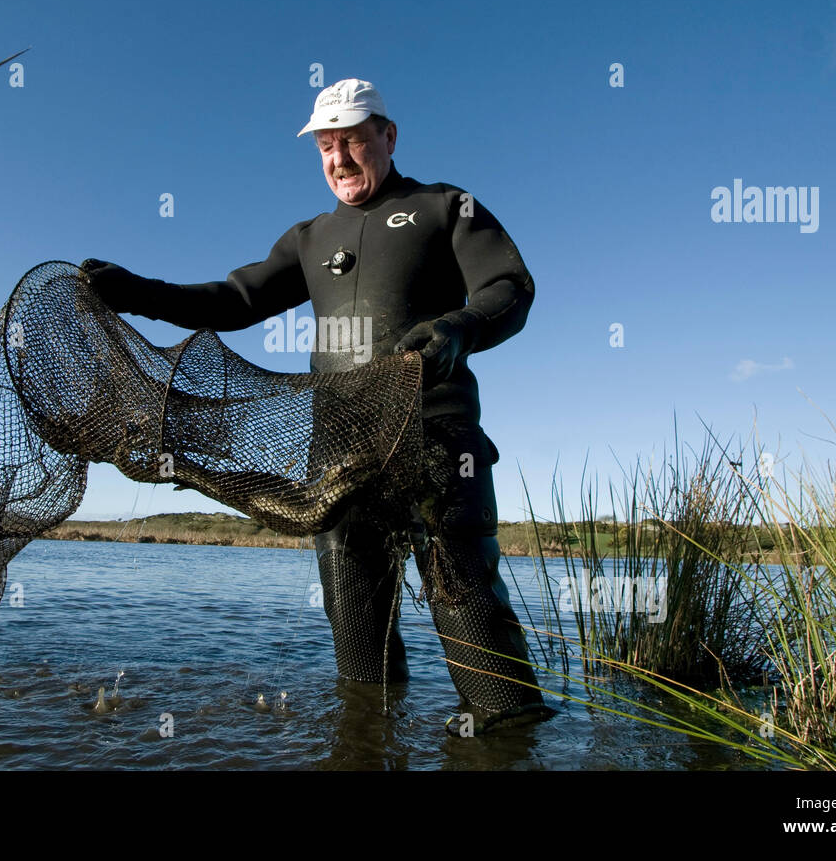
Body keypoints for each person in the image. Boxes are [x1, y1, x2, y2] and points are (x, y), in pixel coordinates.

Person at [83, 78, 548, 733]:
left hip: (436, 435)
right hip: (340, 450)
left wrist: (460, 329)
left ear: (388, 136)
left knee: (465, 596)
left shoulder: (447, 207)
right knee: (355, 622)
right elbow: (233, 300)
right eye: (327, 146)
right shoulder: (308, 237)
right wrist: (137, 290)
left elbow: (509, 286)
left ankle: (505, 730)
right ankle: (367, 737)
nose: (340, 158)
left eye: (353, 140)